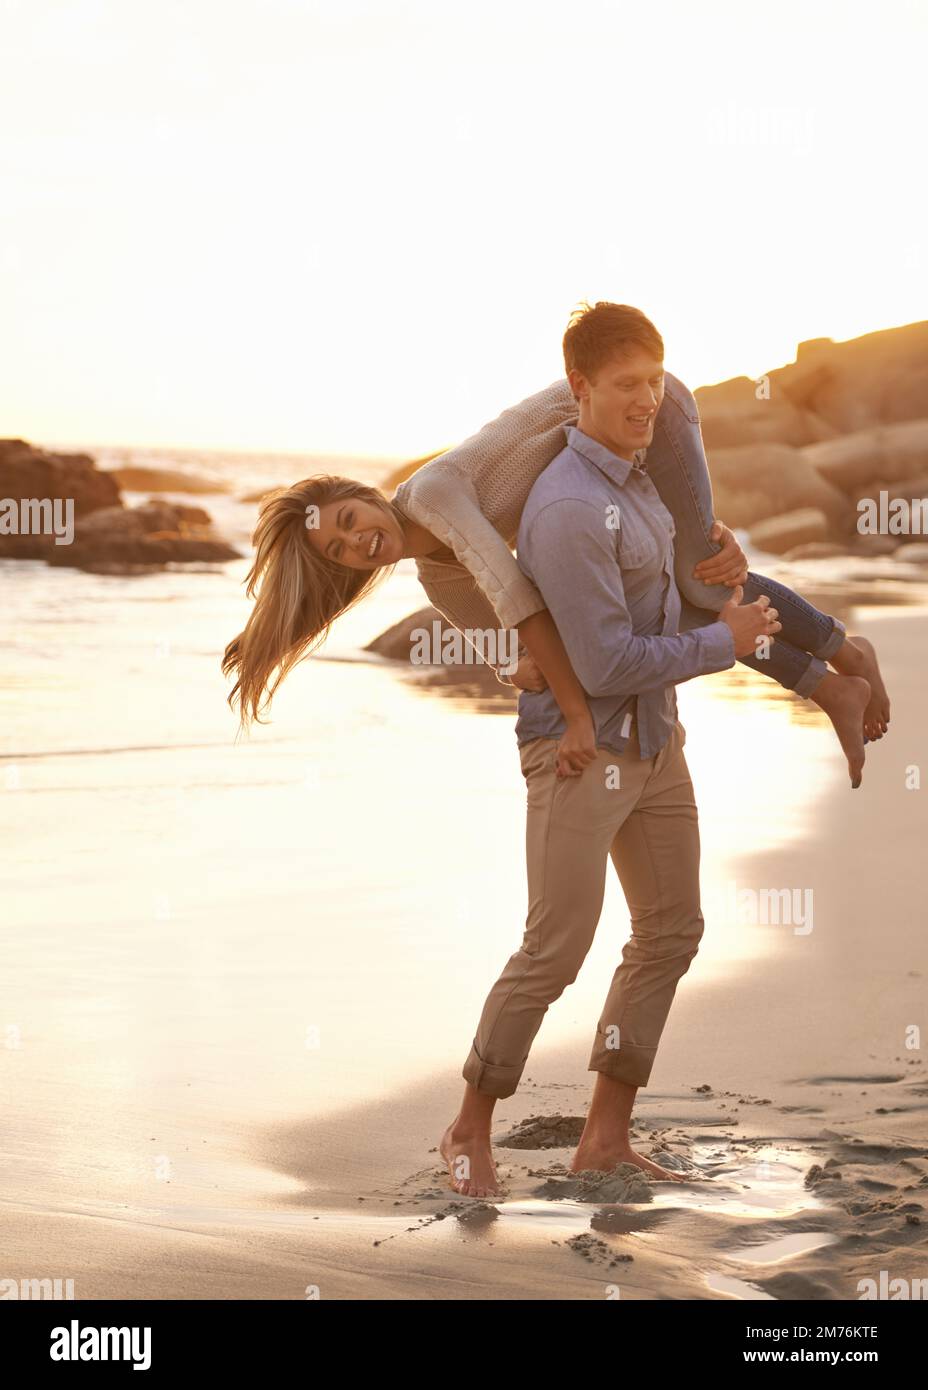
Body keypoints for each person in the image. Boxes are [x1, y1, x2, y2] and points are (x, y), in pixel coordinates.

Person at [222, 304, 890, 793]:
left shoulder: (433, 493)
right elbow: (521, 651)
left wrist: (576, 718)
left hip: (641, 405)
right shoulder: (438, 581)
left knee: (702, 581)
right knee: (664, 607)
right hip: (596, 464)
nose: (357, 539)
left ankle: (843, 654)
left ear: (367, 494)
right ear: (342, 570)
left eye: (348, 517)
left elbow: (515, 596)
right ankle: (829, 689)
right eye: (339, 549)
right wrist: (522, 670)